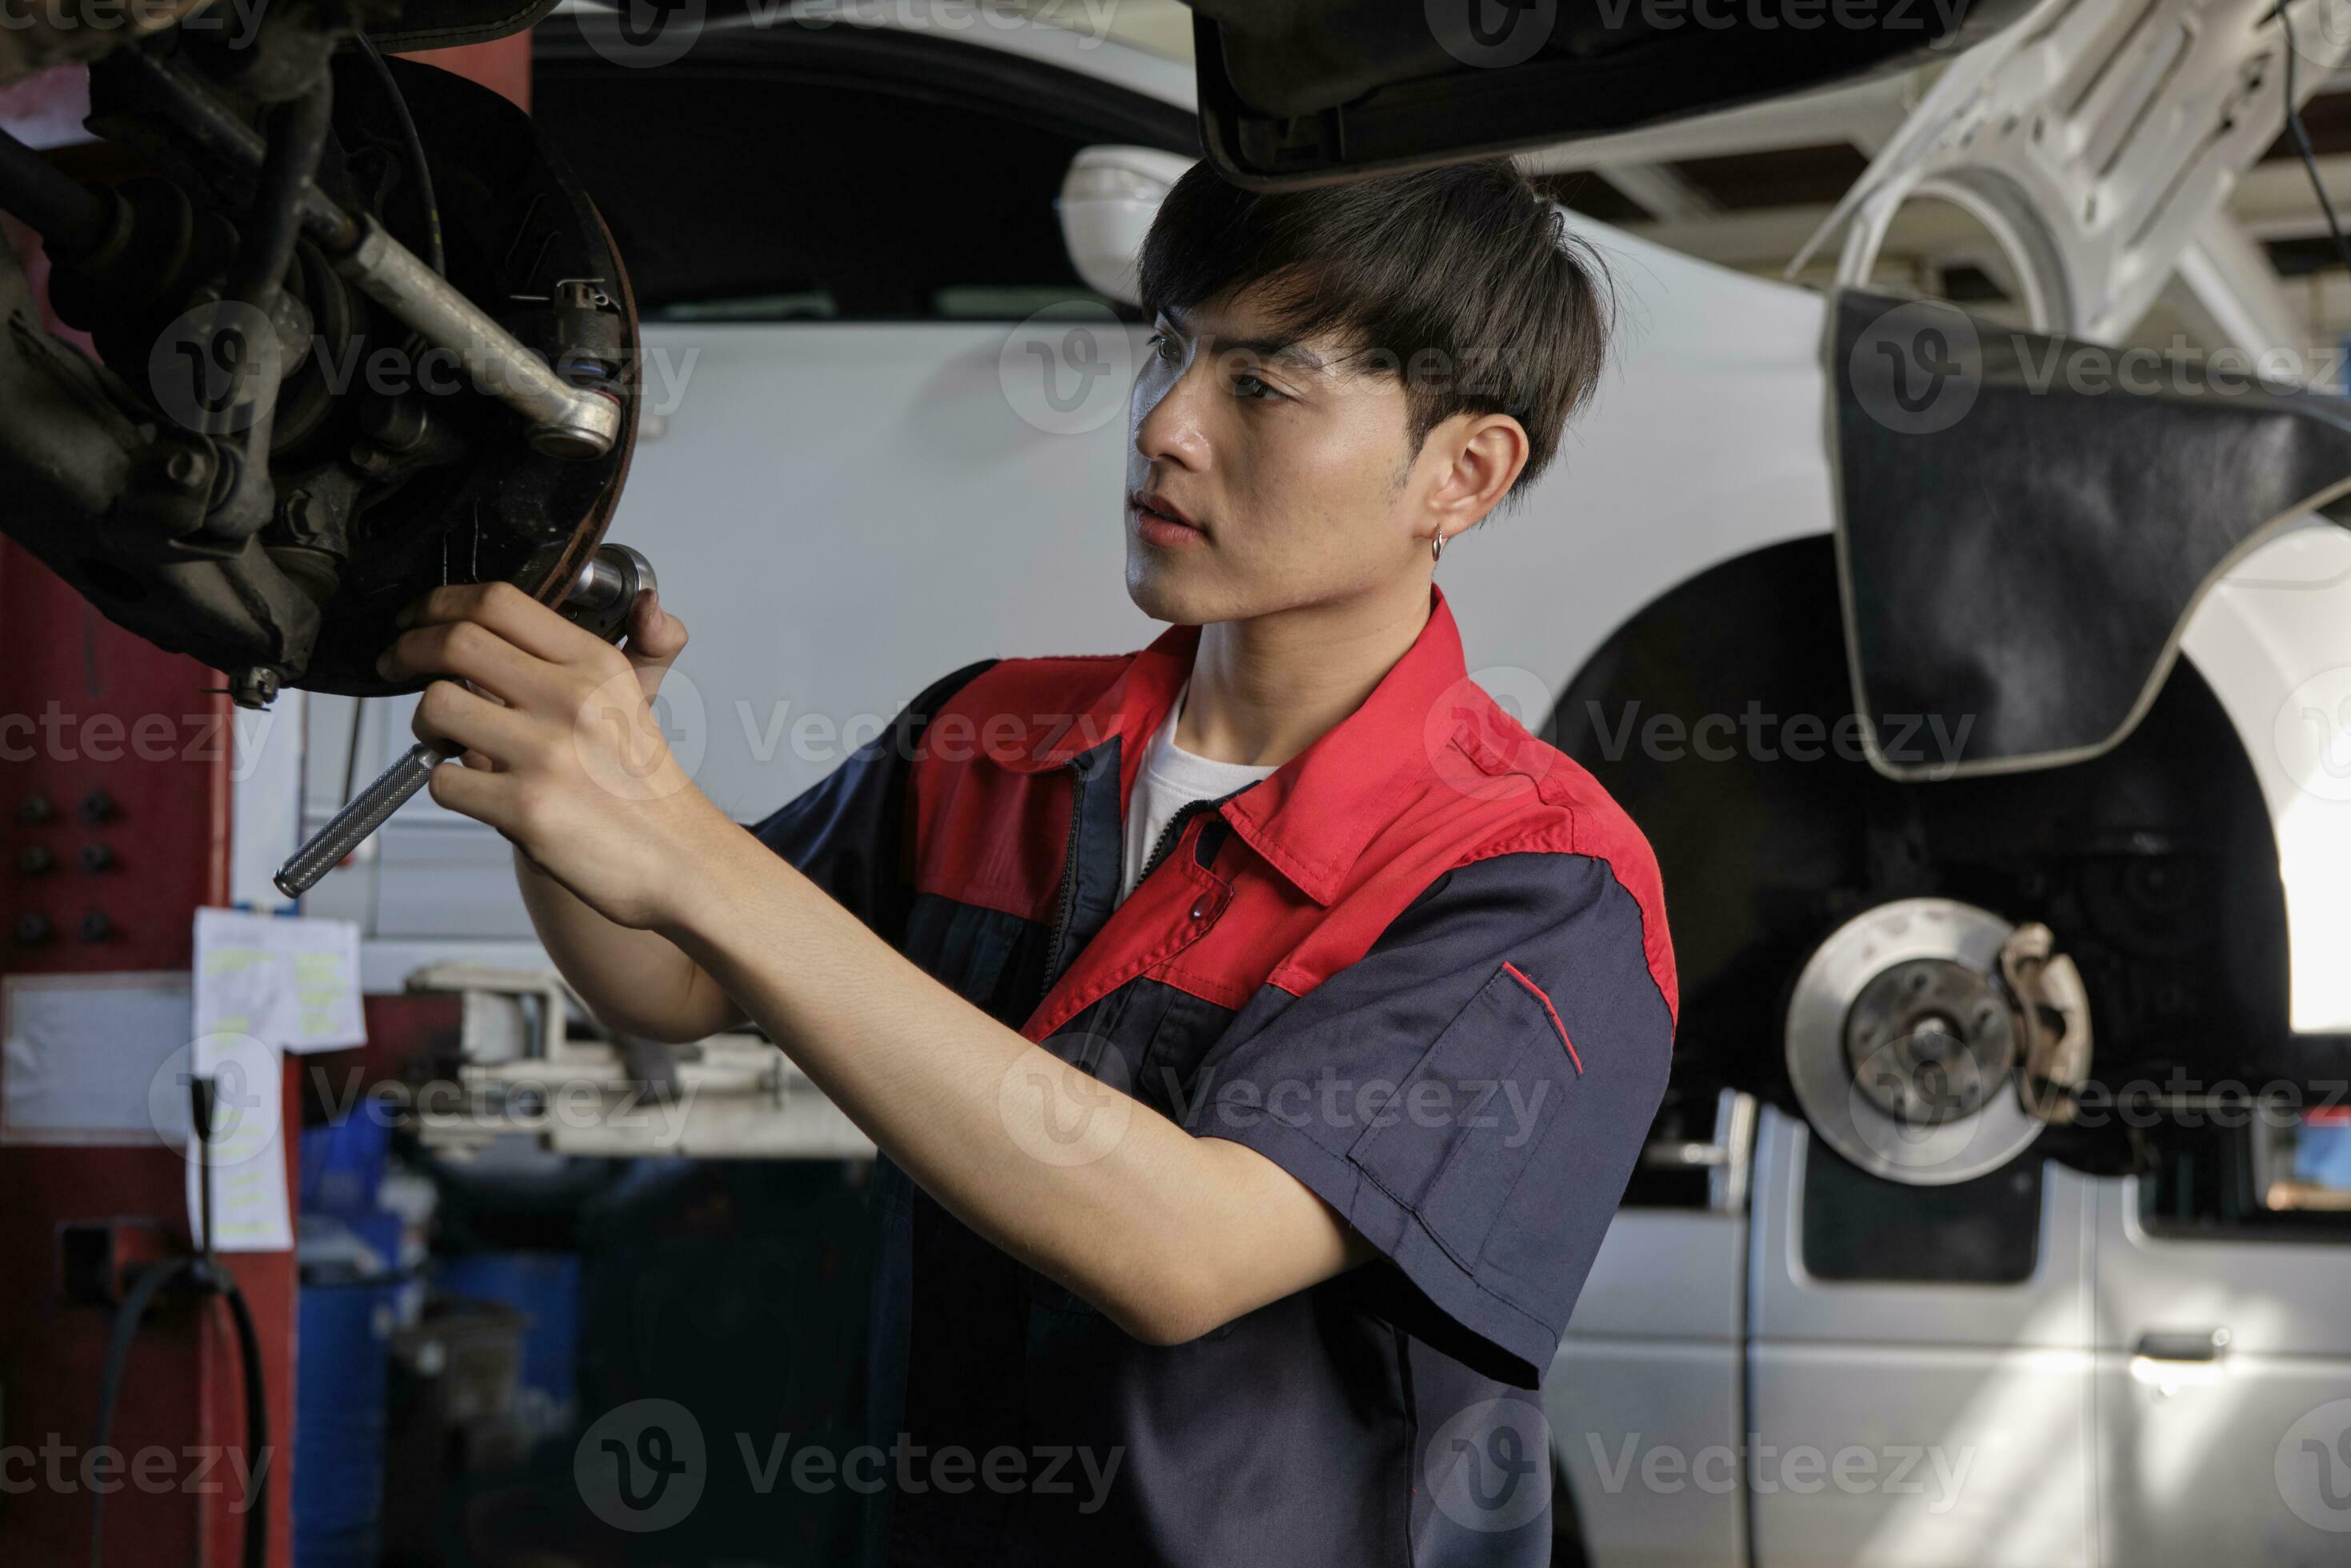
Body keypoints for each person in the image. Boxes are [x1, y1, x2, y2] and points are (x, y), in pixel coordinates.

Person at [380, 158, 1676, 1566]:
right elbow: (670, 976)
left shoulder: (1538, 886)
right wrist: (559, 765)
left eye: (1261, 384)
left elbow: (1180, 1249)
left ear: (1461, 472)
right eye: (1168, 344)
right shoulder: (990, 737)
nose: (1165, 423)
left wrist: (680, 843)